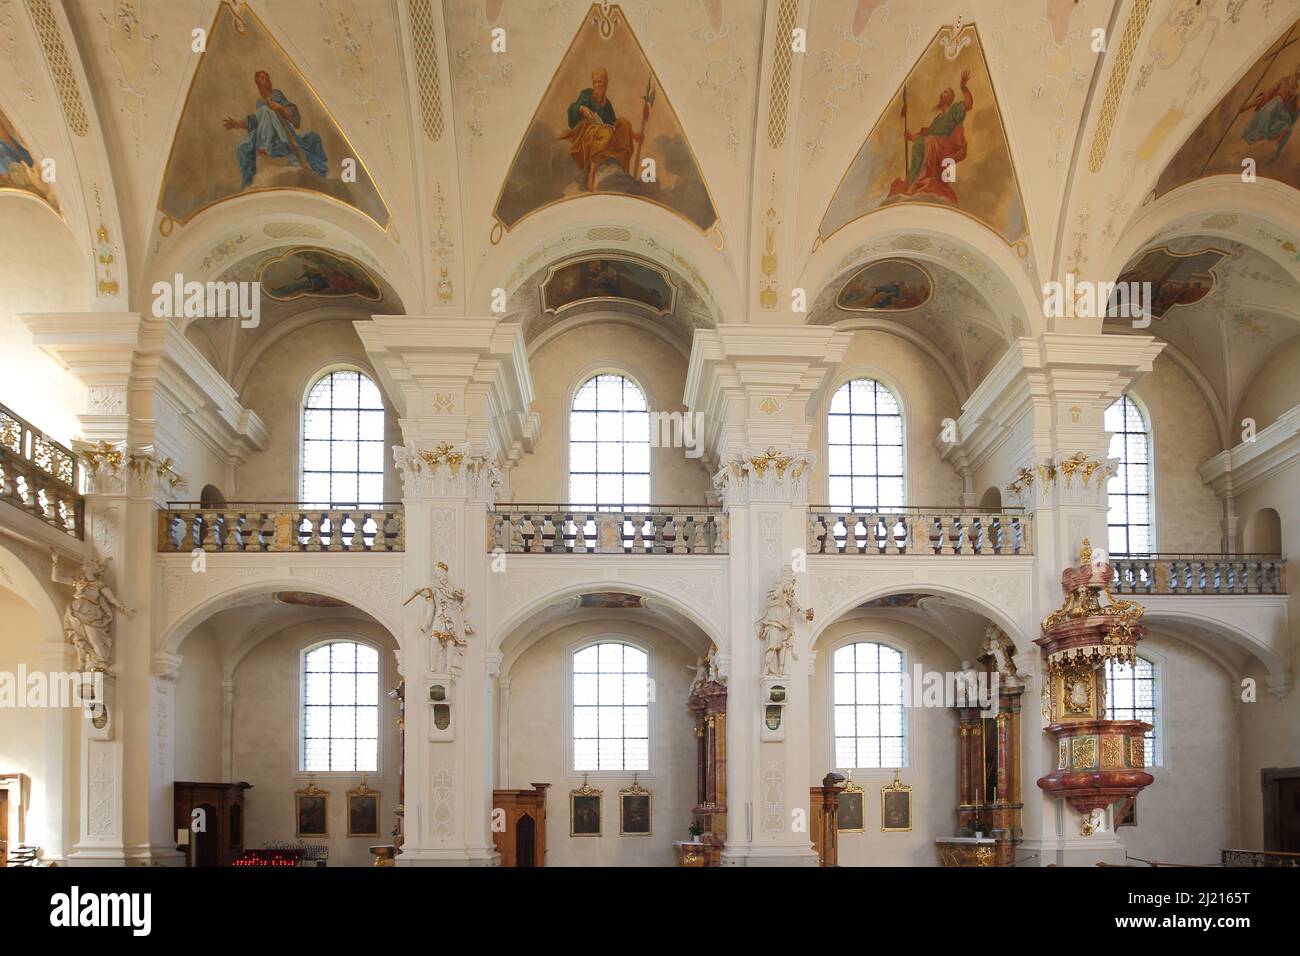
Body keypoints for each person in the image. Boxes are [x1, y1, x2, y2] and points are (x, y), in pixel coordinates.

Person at [223, 70, 328, 188]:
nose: (264, 80)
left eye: (266, 78)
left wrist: (280, 107)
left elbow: (292, 114)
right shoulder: (260, 102)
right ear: (257, 83)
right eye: (261, 78)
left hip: (283, 129)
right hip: (269, 134)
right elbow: (255, 121)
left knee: (265, 111)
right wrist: (237, 124)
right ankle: (248, 179)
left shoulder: (276, 94)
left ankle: (265, 148)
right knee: (243, 145)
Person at [889, 69, 974, 204]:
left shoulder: (955, 109)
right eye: (943, 92)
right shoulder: (938, 119)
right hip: (934, 143)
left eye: (946, 92)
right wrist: (911, 137)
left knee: (927, 142)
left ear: (951, 97)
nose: (942, 93)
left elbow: (968, 105)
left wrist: (963, 87)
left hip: (947, 146)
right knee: (921, 143)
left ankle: (920, 182)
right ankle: (914, 184)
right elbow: (926, 134)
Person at [562, 67, 645, 191]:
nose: (597, 85)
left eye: (599, 82)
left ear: (606, 83)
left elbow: (613, 123)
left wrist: (634, 136)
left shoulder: (608, 104)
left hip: (603, 133)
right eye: (594, 82)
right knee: (606, 133)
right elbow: (572, 109)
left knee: (623, 123)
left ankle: (623, 169)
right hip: (587, 135)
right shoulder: (587, 94)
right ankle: (592, 174)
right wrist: (581, 109)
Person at [1239, 64, 1300, 164]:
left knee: (1286, 127)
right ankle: (1260, 136)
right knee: (1277, 101)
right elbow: (1267, 94)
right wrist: (1247, 106)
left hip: (1279, 114)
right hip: (1269, 110)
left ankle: (1272, 154)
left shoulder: (1296, 90)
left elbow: (1295, 111)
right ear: (1297, 68)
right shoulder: (1283, 81)